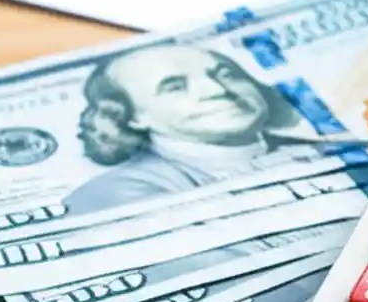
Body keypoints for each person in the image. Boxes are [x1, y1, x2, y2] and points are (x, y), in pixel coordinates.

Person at [63, 44, 330, 215]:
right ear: (131, 116)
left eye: (226, 74)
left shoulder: (333, 149)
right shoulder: (118, 194)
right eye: (174, 86)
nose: (217, 91)